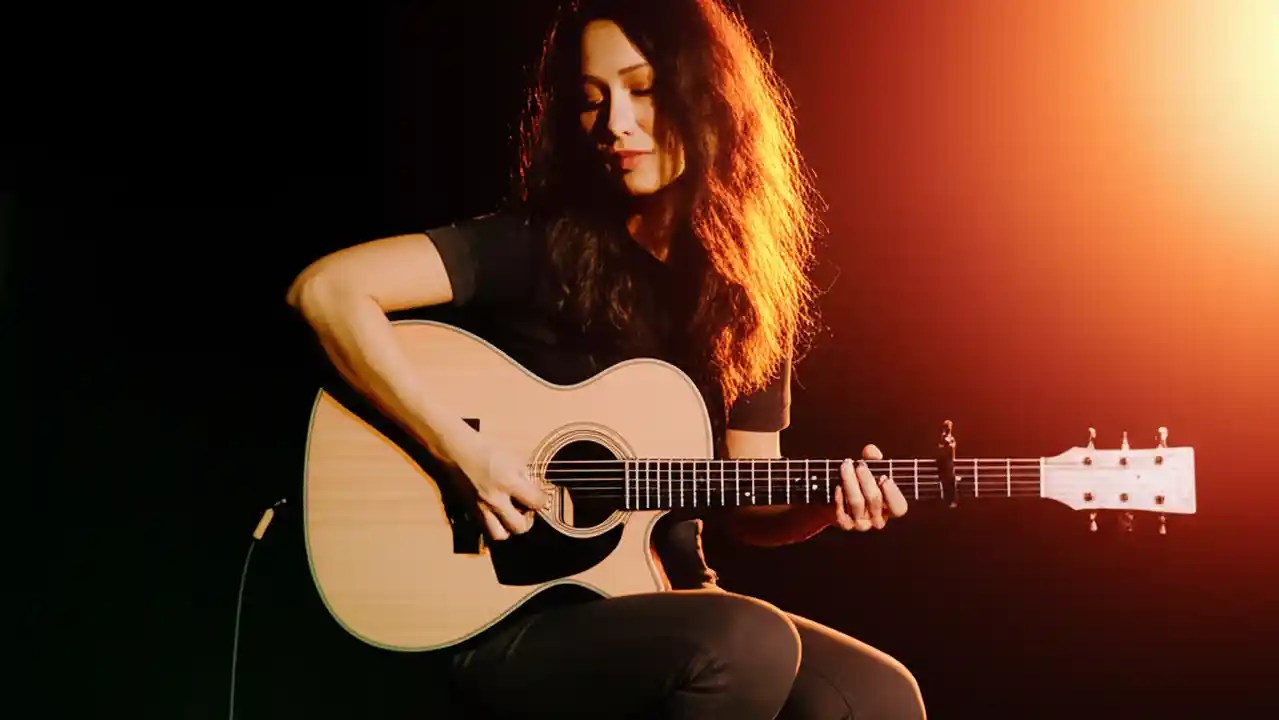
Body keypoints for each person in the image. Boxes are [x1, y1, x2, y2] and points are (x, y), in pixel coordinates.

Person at [287, 0, 925, 717]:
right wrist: (460, 452)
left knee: (880, 694)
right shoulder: (538, 245)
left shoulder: (748, 295)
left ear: (707, 95)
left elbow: (749, 497)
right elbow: (329, 290)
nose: (613, 123)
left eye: (642, 88)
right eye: (591, 100)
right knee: (749, 640)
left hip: (662, 599)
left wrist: (823, 507)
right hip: (509, 618)